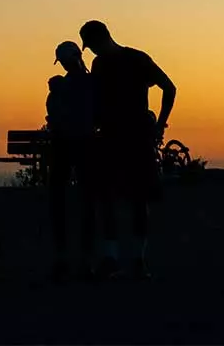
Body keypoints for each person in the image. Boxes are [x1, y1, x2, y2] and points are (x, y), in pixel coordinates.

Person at [80, 19, 176, 279]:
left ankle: (133, 260)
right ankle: (122, 259)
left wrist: (159, 125)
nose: (91, 51)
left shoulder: (132, 60)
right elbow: (168, 88)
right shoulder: (122, 61)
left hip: (128, 138)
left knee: (132, 199)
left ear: (100, 39)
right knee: (116, 198)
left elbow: (170, 88)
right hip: (121, 138)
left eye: (90, 45)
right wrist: (158, 125)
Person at [44, 41, 97, 280]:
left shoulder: (57, 88)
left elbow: (52, 119)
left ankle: (61, 258)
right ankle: (86, 260)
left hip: (62, 147)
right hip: (86, 146)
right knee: (87, 203)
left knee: (60, 203)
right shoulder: (93, 84)